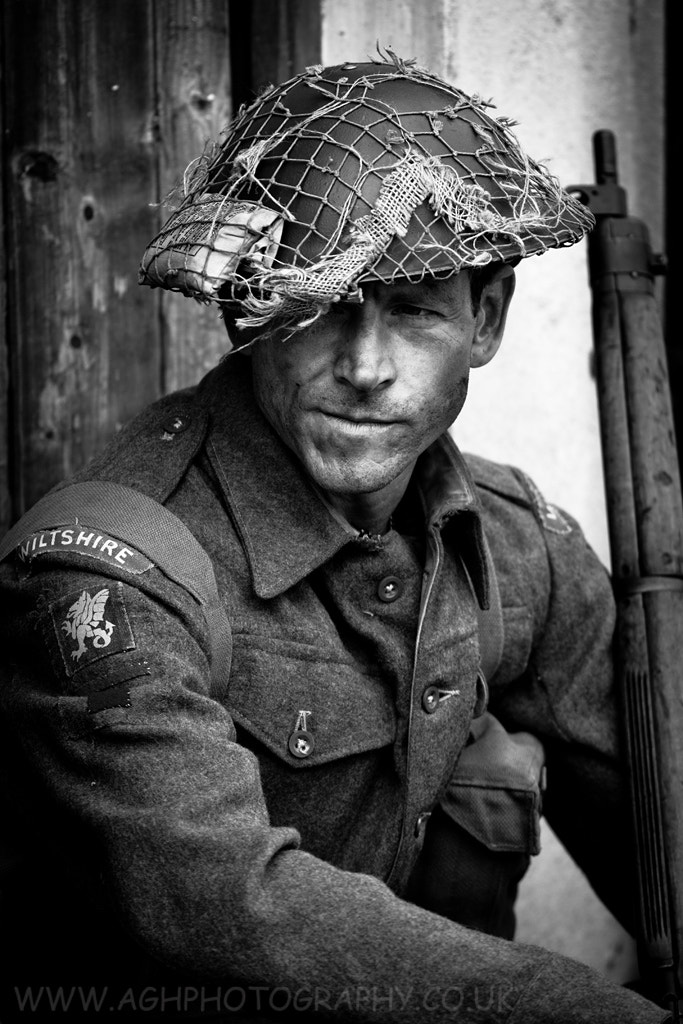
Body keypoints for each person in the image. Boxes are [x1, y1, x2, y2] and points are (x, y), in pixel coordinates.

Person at [0, 53, 671, 1023]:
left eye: (411, 309)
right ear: (246, 312)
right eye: (319, 309)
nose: (365, 366)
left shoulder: (516, 548)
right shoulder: (109, 581)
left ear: (482, 319)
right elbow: (228, 909)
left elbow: (654, 838)